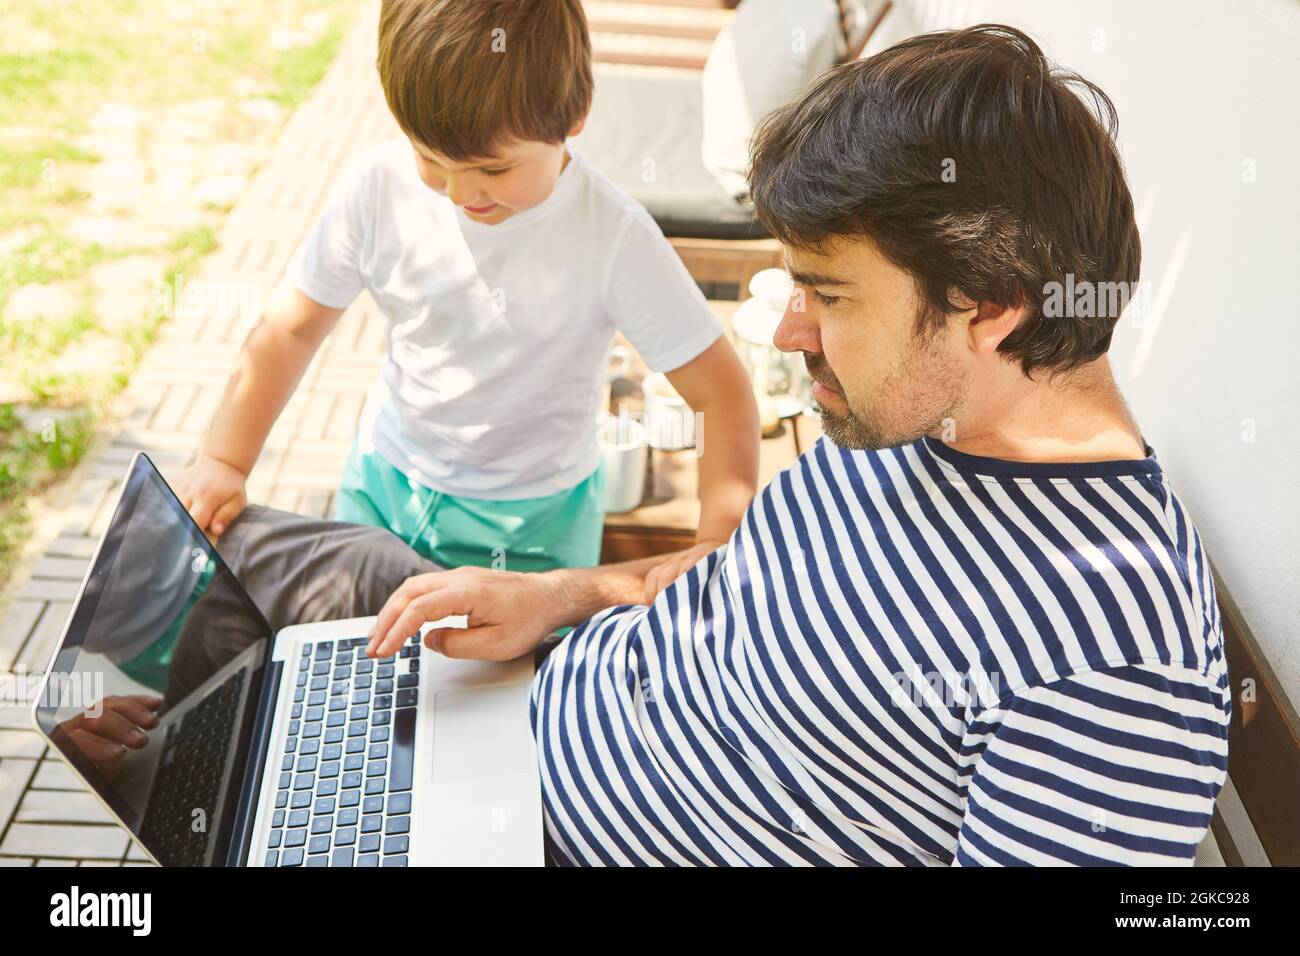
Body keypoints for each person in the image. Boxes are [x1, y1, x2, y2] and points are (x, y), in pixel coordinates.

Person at [192, 24, 1229, 866]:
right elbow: (735, 583)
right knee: (212, 569)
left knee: (247, 770)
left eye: (825, 294)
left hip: (538, 832)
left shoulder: (1117, 649)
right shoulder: (910, 420)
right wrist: (558, 596)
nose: (786, 330)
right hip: (533, 688)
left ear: (990, 306)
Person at [172, 0, 760, 594]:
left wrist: (715, 541)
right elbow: (289, 331)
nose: (459, 192)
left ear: (575, 113)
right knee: (357, 665)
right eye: (430, 158)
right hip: (384, 488)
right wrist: (226, 460)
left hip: (533, 528)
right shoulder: (377, 188)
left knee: (501, 682)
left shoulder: (614, 237)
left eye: (492, 169)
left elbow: (720, 393)